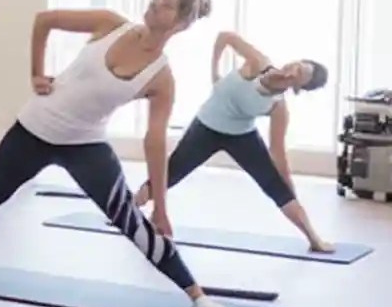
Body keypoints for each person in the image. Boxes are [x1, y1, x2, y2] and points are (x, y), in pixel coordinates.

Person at [0, 0, 233, 307]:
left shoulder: (161, 78)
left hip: (85, 144)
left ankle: (197, 295)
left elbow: (155, 141)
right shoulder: (109, 23)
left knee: (131, 222)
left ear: (180, 23)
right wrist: (35, 74)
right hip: (33, 129)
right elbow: (44, 20)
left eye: (165, 4)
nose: (153, 4)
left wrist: (160, 206)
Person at [133, 31, 332, 252]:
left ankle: (314, 239)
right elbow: (224, 37)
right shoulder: (258, 63)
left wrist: (287, 187)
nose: (292, 71)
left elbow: (278, 152)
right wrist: (215, 72)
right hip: (206, 127)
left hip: (242, 136)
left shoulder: (278, 108)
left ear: (297, 88)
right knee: (170, 173)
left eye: (299, 76)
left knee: (276, 187)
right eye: (298, 65)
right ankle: (128, 210)